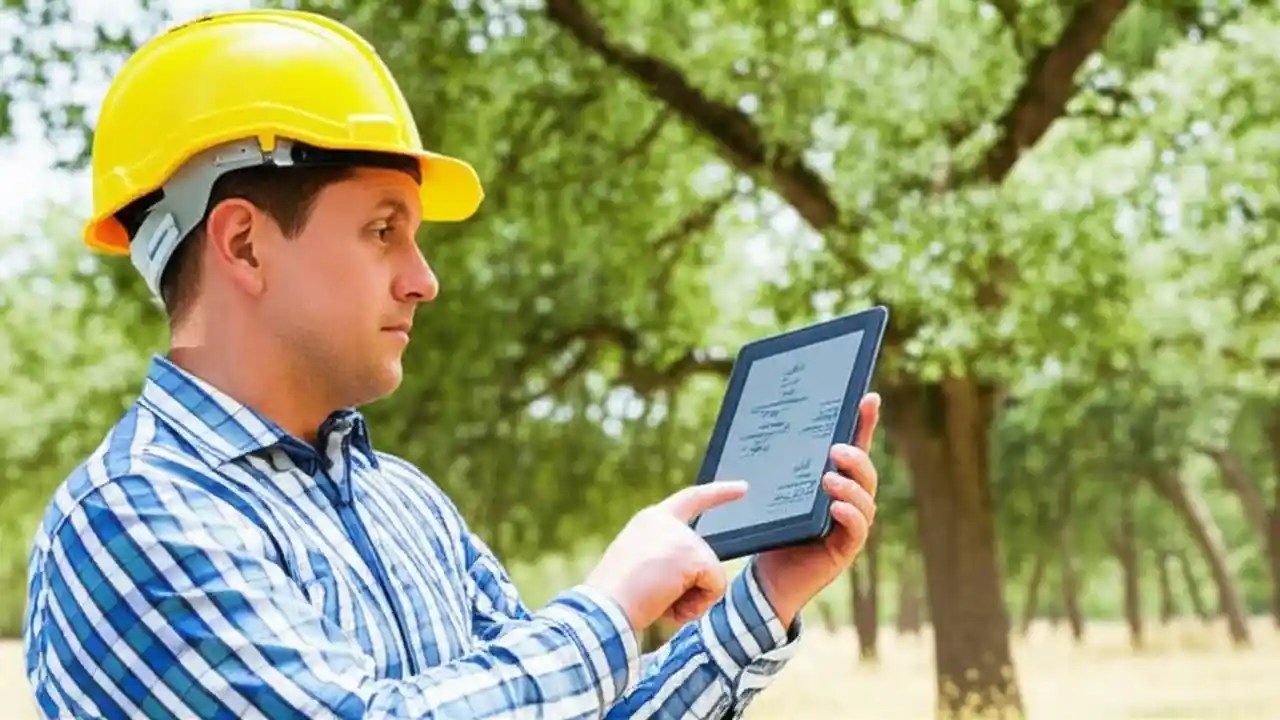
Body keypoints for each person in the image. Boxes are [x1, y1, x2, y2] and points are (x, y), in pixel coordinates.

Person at [21, 9, 882, 720]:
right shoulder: (130, 517)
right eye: (383, 230)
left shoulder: (407, 506)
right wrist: (611, 609)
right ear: (244, 244)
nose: (424, 280)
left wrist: (766, 597)